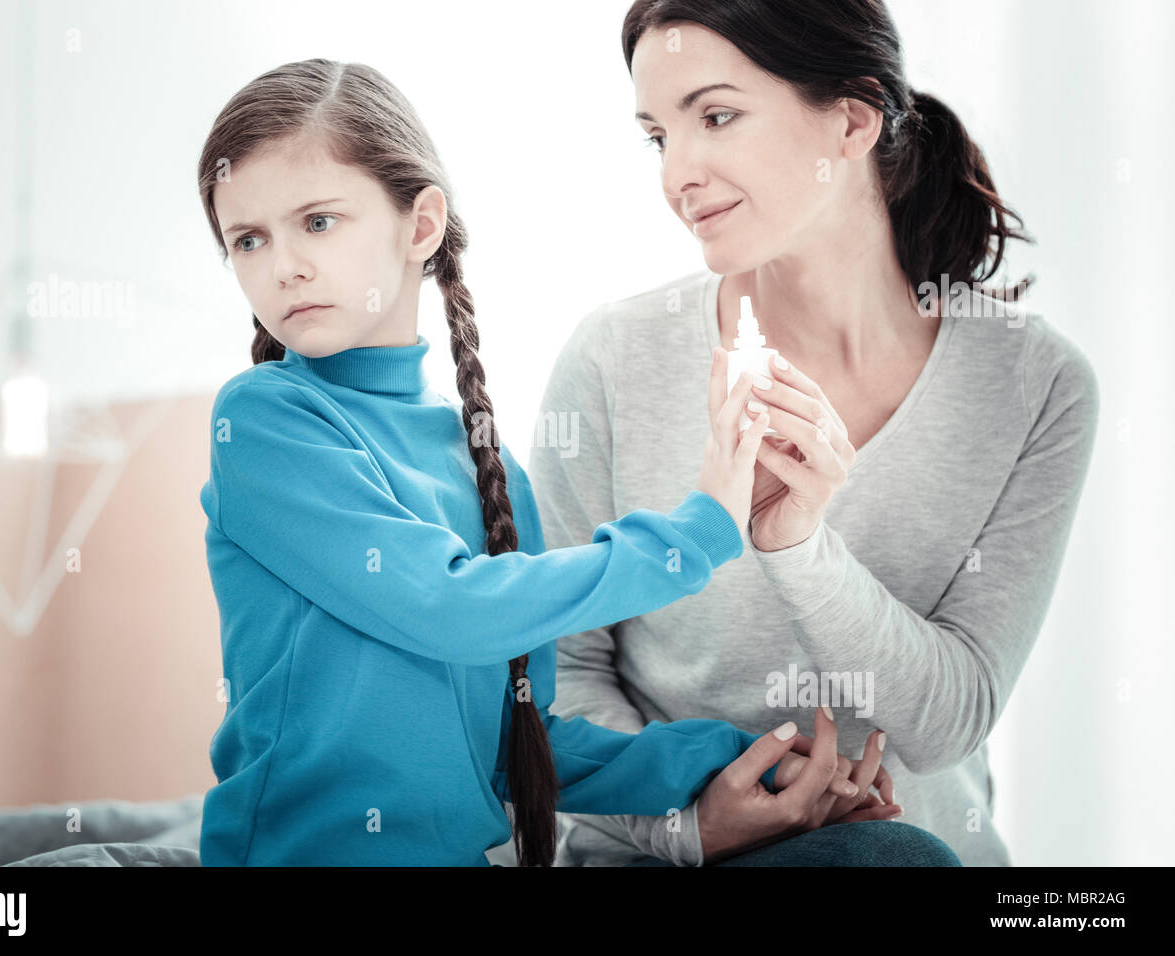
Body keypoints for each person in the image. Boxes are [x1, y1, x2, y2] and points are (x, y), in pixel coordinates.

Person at [194, 58, 958, 867]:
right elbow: (449, 607)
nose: (283, 266)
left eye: (317, 222)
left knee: (890, 856)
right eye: (248, 239)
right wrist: (700, 529)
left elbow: (524, 744)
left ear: (420, 227)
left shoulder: (484, 466)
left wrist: (756, 759)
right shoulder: (265, 422)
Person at [534, 0, 1100, 867]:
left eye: (715, 116)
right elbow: (556, 681)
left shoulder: (1034, 385)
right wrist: (689, 823)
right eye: (657, 136)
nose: (676, 173)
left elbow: (949, 720)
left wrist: (798, 546)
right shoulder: (615, 359)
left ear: (850, 119)